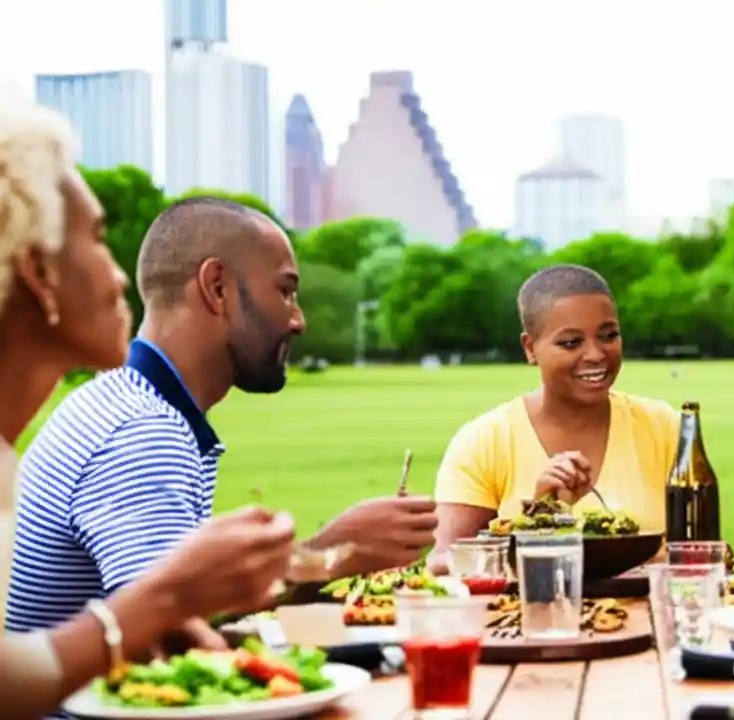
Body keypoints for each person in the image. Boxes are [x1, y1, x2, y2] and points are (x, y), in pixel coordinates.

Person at [6, 196, 439, 641]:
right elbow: (168, 630)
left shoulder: (131, 405)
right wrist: (332, 554)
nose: (298, 320)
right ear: (217, 287)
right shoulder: (141, 430)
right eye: (285, 291)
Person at [0, 96, 296, 719]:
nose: (119, 278)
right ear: (38, 273)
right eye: (100, 240)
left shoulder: (91, 417)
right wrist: (326, 559)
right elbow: (166, 661)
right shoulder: (139, 429)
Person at [428, 264, 679, 573]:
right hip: (527, 619)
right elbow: (443, 563)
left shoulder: (664, 426)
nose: (596, 354)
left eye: (609, 335)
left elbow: (705, 553)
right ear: (530, 348)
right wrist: (540, 516)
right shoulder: (485, 440)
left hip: (649, 618)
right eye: (571, 342)